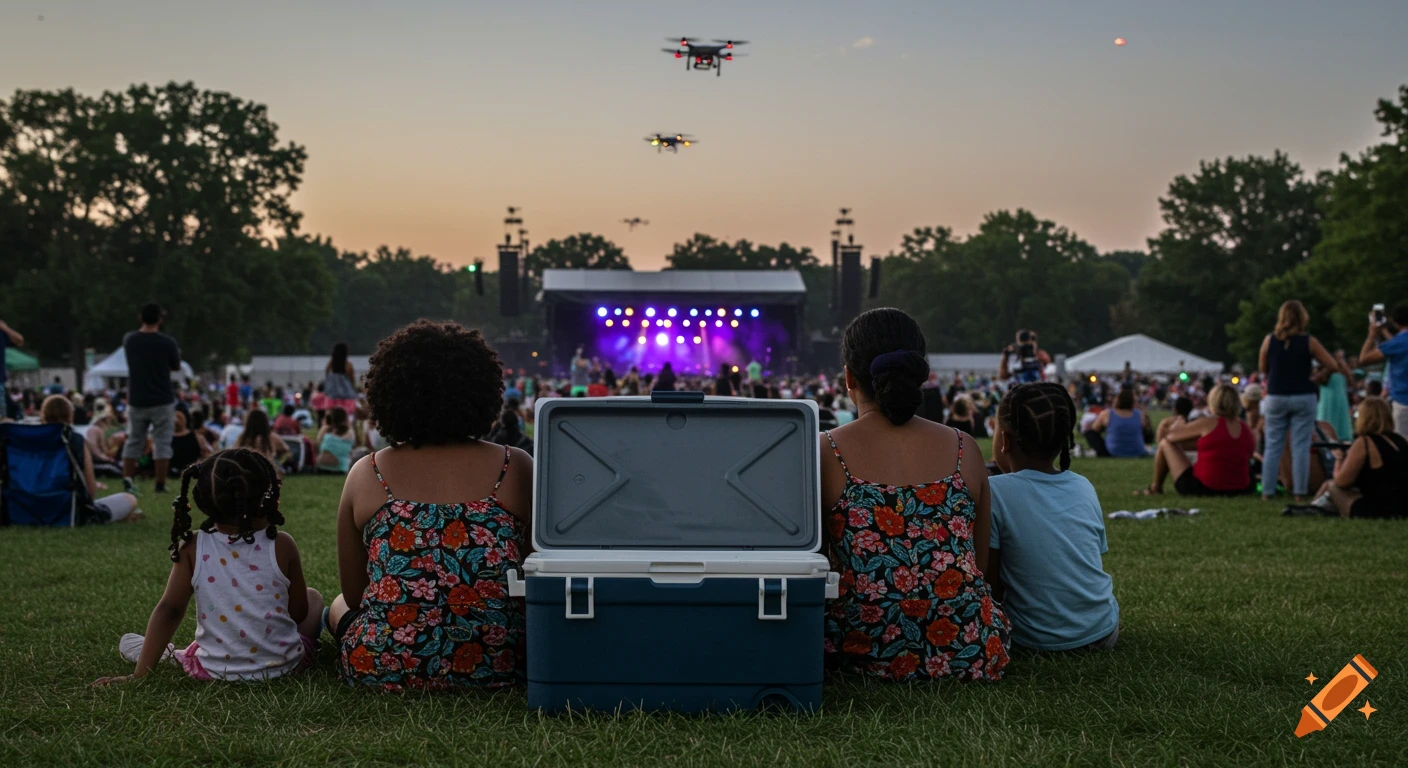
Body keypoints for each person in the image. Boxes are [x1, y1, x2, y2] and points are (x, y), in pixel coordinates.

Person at [327, 320, 532, 691]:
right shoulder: (514, 466)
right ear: (485, 390)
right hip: (505, 661)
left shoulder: (366, 472)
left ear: (387, 393)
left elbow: (357, 595)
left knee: (338, 604)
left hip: (382, 666)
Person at [822, 308, 1008, 682]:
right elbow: (980, 563)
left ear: (848, 378)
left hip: (861, 651)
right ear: (920, 373)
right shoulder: (964, 448)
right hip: (967, 649)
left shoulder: (825, 451)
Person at [93, 449, 321, 685]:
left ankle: (173, 654)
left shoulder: (192, 546)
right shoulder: (282, 544)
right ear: (268, 496)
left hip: (213, 669)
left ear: (204, 502)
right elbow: (299, 613)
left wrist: (137, 676)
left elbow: (169, 610)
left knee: (129, 642)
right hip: (283, 669)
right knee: (313, 598)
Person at [987, 383, 1119, 651]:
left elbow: (990, 586)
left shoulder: (995, 492)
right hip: (1102, 632)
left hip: (1031, 639)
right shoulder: (1084, 485)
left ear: (1005, 440)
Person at [1259, 300, 1347, 501]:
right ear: (1302, 318)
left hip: (1276, 396)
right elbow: (1333, 365)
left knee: (1273, 446)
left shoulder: (1268, 340)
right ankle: (1299, 492)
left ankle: (1267, 492)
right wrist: (1316, 376)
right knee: (1301, 446)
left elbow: (1264, 369)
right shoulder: (1309, 342)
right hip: (1303, 395)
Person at [40, 396, 141, 524]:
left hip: (30, 509)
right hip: (71, 512)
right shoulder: (75, 441)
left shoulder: (29, 441)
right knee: (129, 498)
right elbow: (90, 492)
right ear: (70, 416)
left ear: (43, 415)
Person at [1139, 384, 1255, 496]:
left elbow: (1170, 437)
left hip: (1203, 487)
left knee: (1165, 444)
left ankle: (1156, 487)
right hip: (1242, 488)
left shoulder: (1207, 423)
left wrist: (1180, 420)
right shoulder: (1245, 428)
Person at [1307, 397, 1407, 518]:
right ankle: (1313, 507)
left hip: (1378, 510)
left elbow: (1341, 482)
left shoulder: (1365, 442)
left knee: (1331, 485)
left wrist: (1339, 459)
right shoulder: (1400, 441)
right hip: (1402, 507)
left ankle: (1311, 508)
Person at [121, 304, 181, 494]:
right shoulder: (167, 342)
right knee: (162, 442)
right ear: (160, 319)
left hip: (137, 398)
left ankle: (128, 481)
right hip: (162, 398)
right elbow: (176, 366)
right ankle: (160, 484)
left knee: (134, 440)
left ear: (141, 317)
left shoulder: (130, 340)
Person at [1357, 304, 1408, 438]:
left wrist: (1372, 335)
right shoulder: (1397, 343)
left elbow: (1363, 359)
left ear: (1395, 322)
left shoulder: (1397, 343)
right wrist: (1384, 331)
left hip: (1403, 401)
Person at [1085, 388, 1151, 458]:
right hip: (1138, 451)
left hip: (1113, 452)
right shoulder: (1140, 415)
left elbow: (1095, 429)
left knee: (1089, 431)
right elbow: (1148, 432)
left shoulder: (1107, 414)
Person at [236, 409, 292, 475]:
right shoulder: (272, 437)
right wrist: (278, 462)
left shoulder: (242, 438)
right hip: (267, 472)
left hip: (246, 471)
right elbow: (288, 453)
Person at [1314, 351, 1354, 442]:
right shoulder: (1322, 368)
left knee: (1342, 426)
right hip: (1327, 400)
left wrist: (1342, 364)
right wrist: (1332, 365)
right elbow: (1318, 380)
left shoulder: (1343, 369)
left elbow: (1351, 381)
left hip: (1341, 401)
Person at [167, 410, 211, 475]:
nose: (176, 421)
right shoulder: (197, 437)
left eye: (179, 417)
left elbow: (206, 453)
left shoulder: (197, 437)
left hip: (192, 468)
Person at [315, 407, 356, 474]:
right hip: (341, 468)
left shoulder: (326, 432)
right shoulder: (350, 432)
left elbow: (318, 445)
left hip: (324, 467)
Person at [324, 342, 359, 415]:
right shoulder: (348, 365)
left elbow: (327, 377)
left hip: (332, 397)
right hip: (346, 397)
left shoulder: (330, 366)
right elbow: (352, 381)